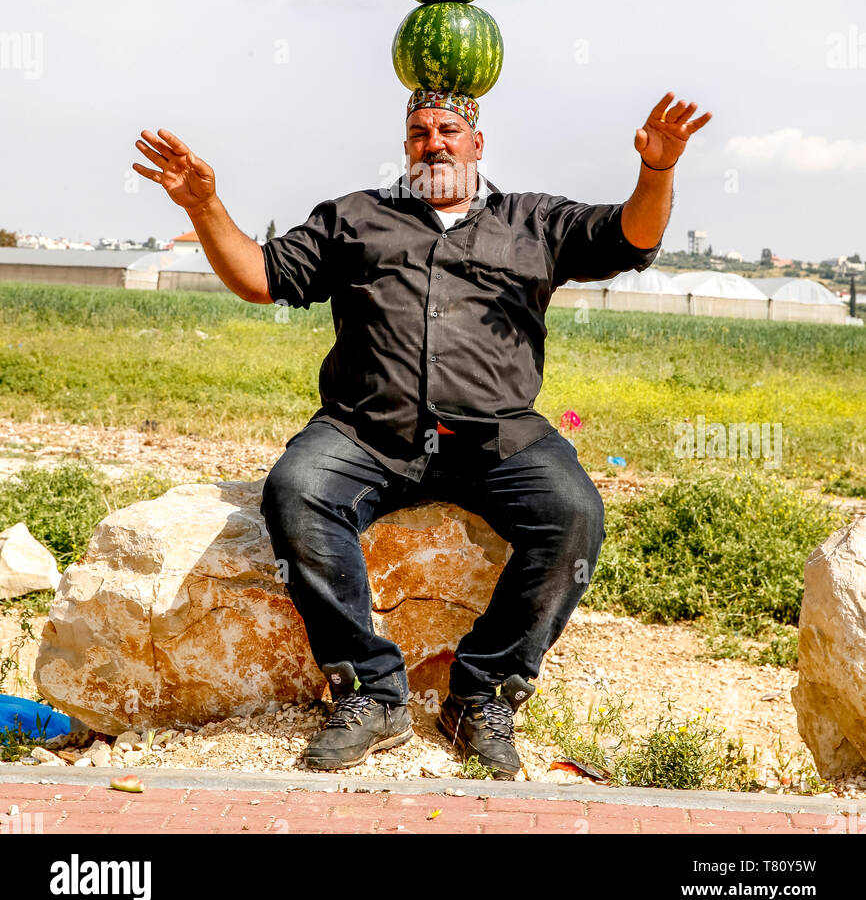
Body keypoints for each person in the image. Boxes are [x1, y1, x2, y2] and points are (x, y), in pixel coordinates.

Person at [132, 89, 711, 778]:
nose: (432, 141)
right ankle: (371, 694)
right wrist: (202, 204)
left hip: (498, 437)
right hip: (366, 431)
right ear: (405, 145)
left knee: (572, 512)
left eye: (447, 129)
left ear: (477, 142)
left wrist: (658, 170)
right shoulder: (355, 218)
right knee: (297, 489)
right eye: (417, 131)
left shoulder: (534, 221)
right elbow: (261, 277)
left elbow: (631, 238)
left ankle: (481, 694)